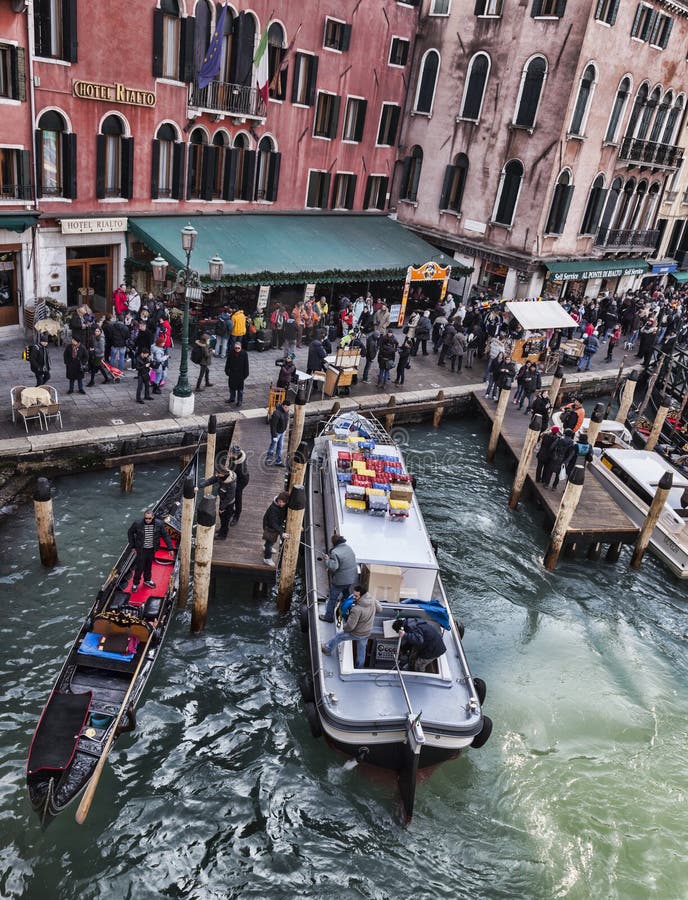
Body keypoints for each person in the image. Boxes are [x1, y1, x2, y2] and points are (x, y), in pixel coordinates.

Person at [321, 585, 381, 669]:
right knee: (361, 651)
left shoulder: (356, 609)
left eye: (356, 596)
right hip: (367, 632)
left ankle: (327, 649)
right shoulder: (372, 600)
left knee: (339, 636)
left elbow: (350, 626)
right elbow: (380, 609)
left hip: (356, 633)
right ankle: (360, 667)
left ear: (362, 595)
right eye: (353, 595)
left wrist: (344, 627)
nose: (354, 597)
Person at [127, 508, 172, 590]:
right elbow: (130, 532)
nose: (147, 520)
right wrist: (132, 546)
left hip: (152, 549)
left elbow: (165, 536)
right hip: (141, 549)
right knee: (139, 567)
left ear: (153, 517)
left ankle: (147, 580)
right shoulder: (137, 524)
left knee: (148, 566)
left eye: (149, 518)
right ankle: (135, 583)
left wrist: (170, 548)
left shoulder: (159, 524)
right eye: (146, 518)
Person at [320, 534, 358, 623]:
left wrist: (327, 560)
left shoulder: (335, 552)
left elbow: (334, 567)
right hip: (351, 579)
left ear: (334, 542)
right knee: (346, 594)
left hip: (340, 581)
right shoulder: (348, 548)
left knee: (332, 599)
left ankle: (328, 617)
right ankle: (349, 612)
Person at [200, 465, 237, 540]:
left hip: (228, 504)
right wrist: (201, 485)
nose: (216, 474)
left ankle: (223, 535)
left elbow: (229, 498)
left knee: (225, 519)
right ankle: (221, 529)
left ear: (222, 474)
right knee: (221, 516)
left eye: (217, 473)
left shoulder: (231, 484)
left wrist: (222, 507)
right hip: (223, 499)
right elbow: (211, 480)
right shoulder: (220, 476)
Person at [262, 491, 289, 566]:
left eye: (283, 502)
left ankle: (266, 547)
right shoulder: (273, 509)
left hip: (277, 524)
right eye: (280, 501)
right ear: (278, 499)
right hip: (269, 526)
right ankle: (267, 558)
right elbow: (273, 523)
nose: (281, 503)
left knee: (270, 541)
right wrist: (282, 533)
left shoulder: (285, 505)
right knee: (270, 541)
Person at [227, 444, 249, 525]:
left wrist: (236, 487)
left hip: (241, 481)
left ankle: (236, 516)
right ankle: (232, 511)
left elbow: (243, 478)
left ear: (235, 455)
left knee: (237, 498)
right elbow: (230, 467)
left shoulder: (241, 466)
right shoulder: (234, 458)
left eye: (231, 453)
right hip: (235, 478)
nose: (229, 454)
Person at [267, 399, 290, 466]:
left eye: (288, 407)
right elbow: (273, 426)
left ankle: (278, 461)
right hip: (277, 433)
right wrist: (274, 436)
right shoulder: (276, 413)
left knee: (280, 446)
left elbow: (286, 420)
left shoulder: (286, 411)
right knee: (273, 446)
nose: (287, 409)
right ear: (282, 406)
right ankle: (269, 459)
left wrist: (284, 430)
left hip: (282, 432)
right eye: (286, 407)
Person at [225, 340, 249, 406]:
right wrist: (227, 371)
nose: (237, 349)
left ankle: (239, 401)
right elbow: (228, 363)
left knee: (240, 390)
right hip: (232, 374)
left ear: (241, 348)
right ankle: (232, 398)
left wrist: (245, 375)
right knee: (232, 388)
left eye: (238, 348)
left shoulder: (244, 354)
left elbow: (246, 365)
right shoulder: (231, 353)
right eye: (236, 348)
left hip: (240, 375)